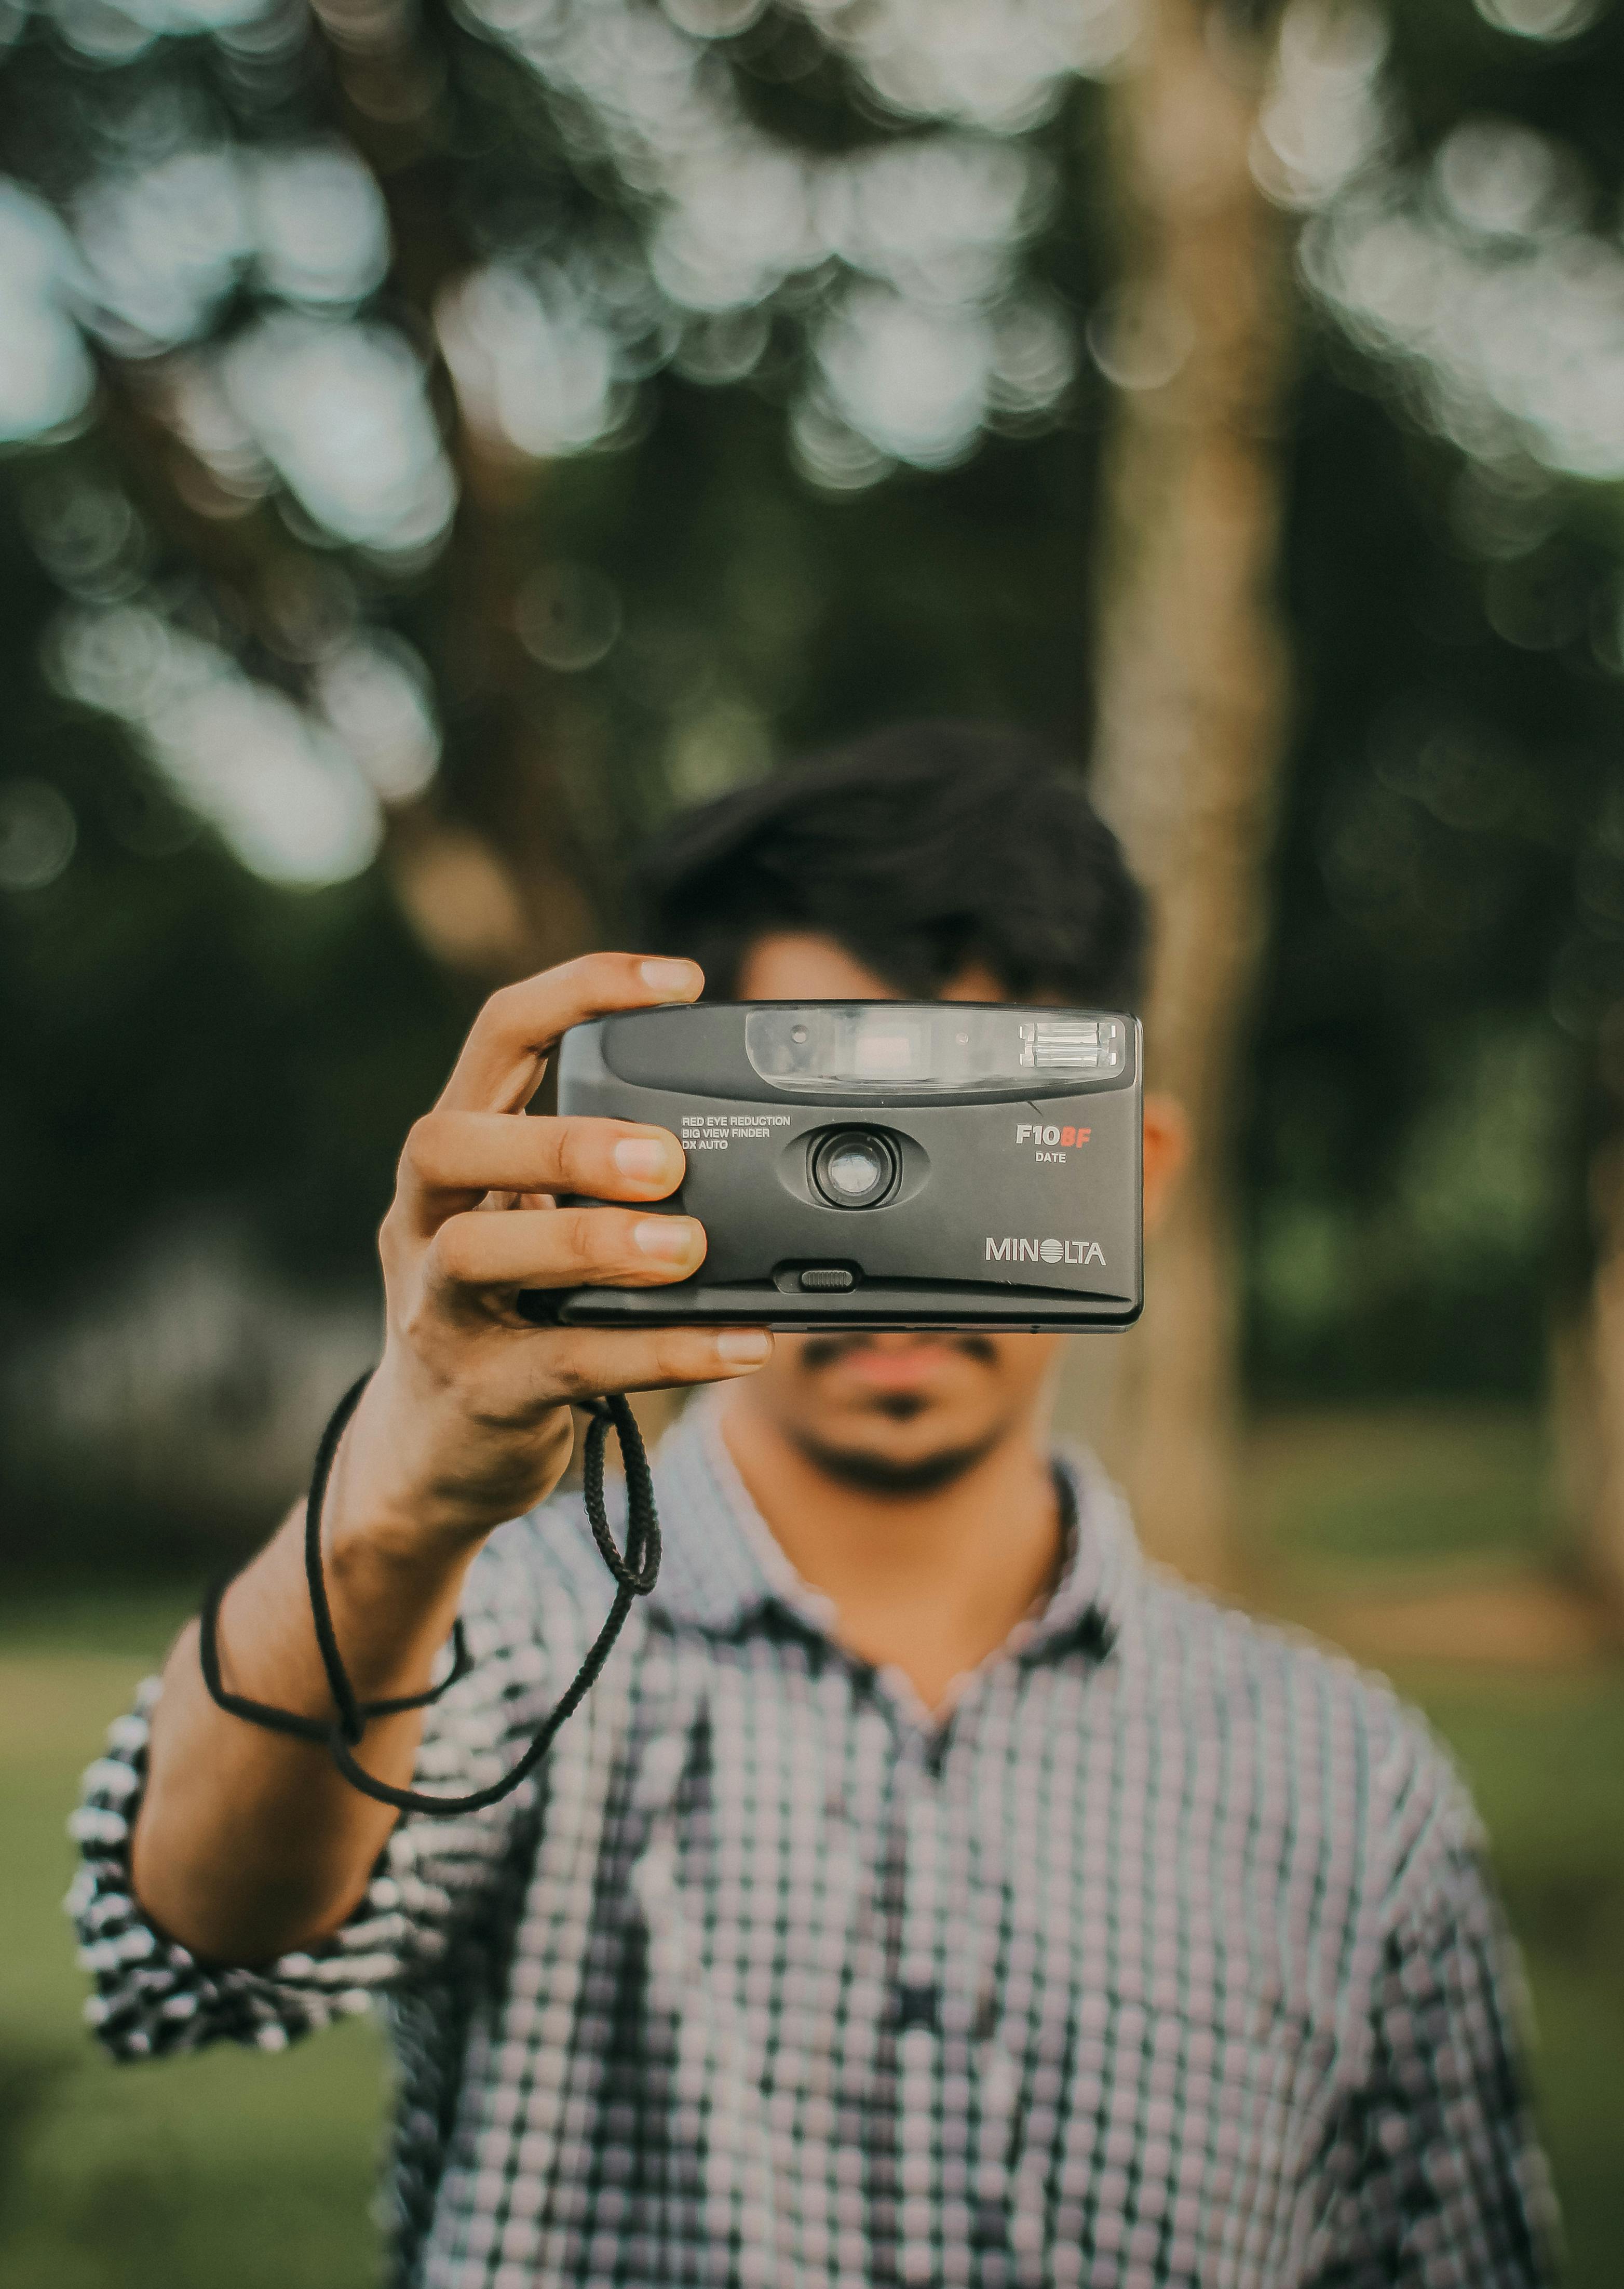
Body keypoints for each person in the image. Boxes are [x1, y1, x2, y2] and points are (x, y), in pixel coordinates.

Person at [71, 723, 1552, 2289]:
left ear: (1133, 1170)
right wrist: (392, 1507)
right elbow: (192, 1945)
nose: (873, 1192)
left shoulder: (1346, 1791)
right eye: (804, 1134)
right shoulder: (504, 1630)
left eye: (966, 1137)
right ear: (651, 1142)